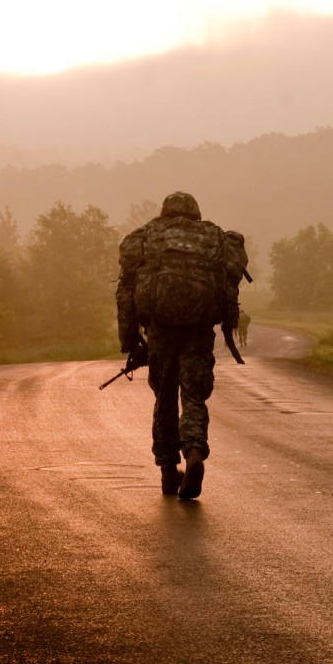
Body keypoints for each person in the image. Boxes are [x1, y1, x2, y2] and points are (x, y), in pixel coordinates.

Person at [116, 191, 249, 500]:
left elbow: (126, 292)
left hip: (160, 331)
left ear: (165, 211)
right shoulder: (214, 236)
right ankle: (194, 452)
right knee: (193, 395)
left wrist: (130, 340)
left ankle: (167, 470)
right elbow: (229, 283)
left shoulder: (146, 236)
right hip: (199, 330)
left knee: (164, 398)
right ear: (196, 212)